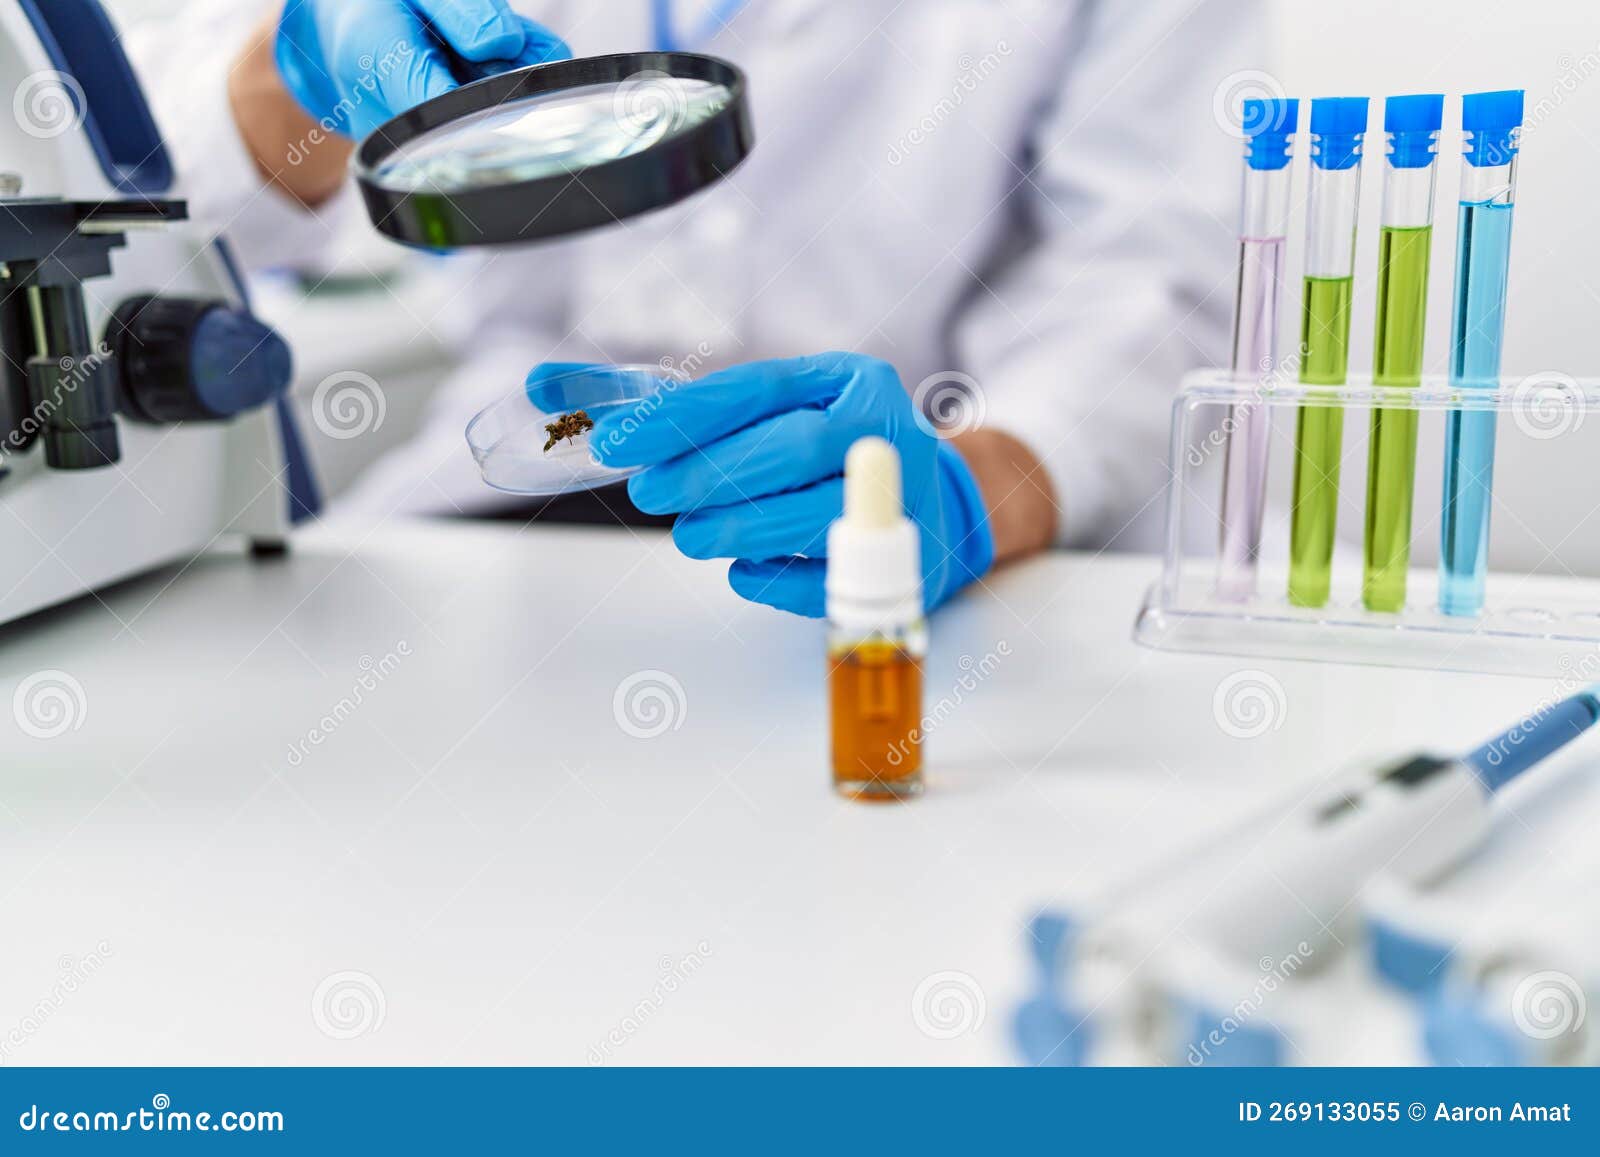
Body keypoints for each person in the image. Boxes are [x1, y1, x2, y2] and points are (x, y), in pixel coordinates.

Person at [129, 0, 1262, 617]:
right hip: (501, 511)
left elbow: (1138, 293)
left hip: (880, 514)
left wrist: (974, 491)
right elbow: (154, 191)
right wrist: (295, 68)